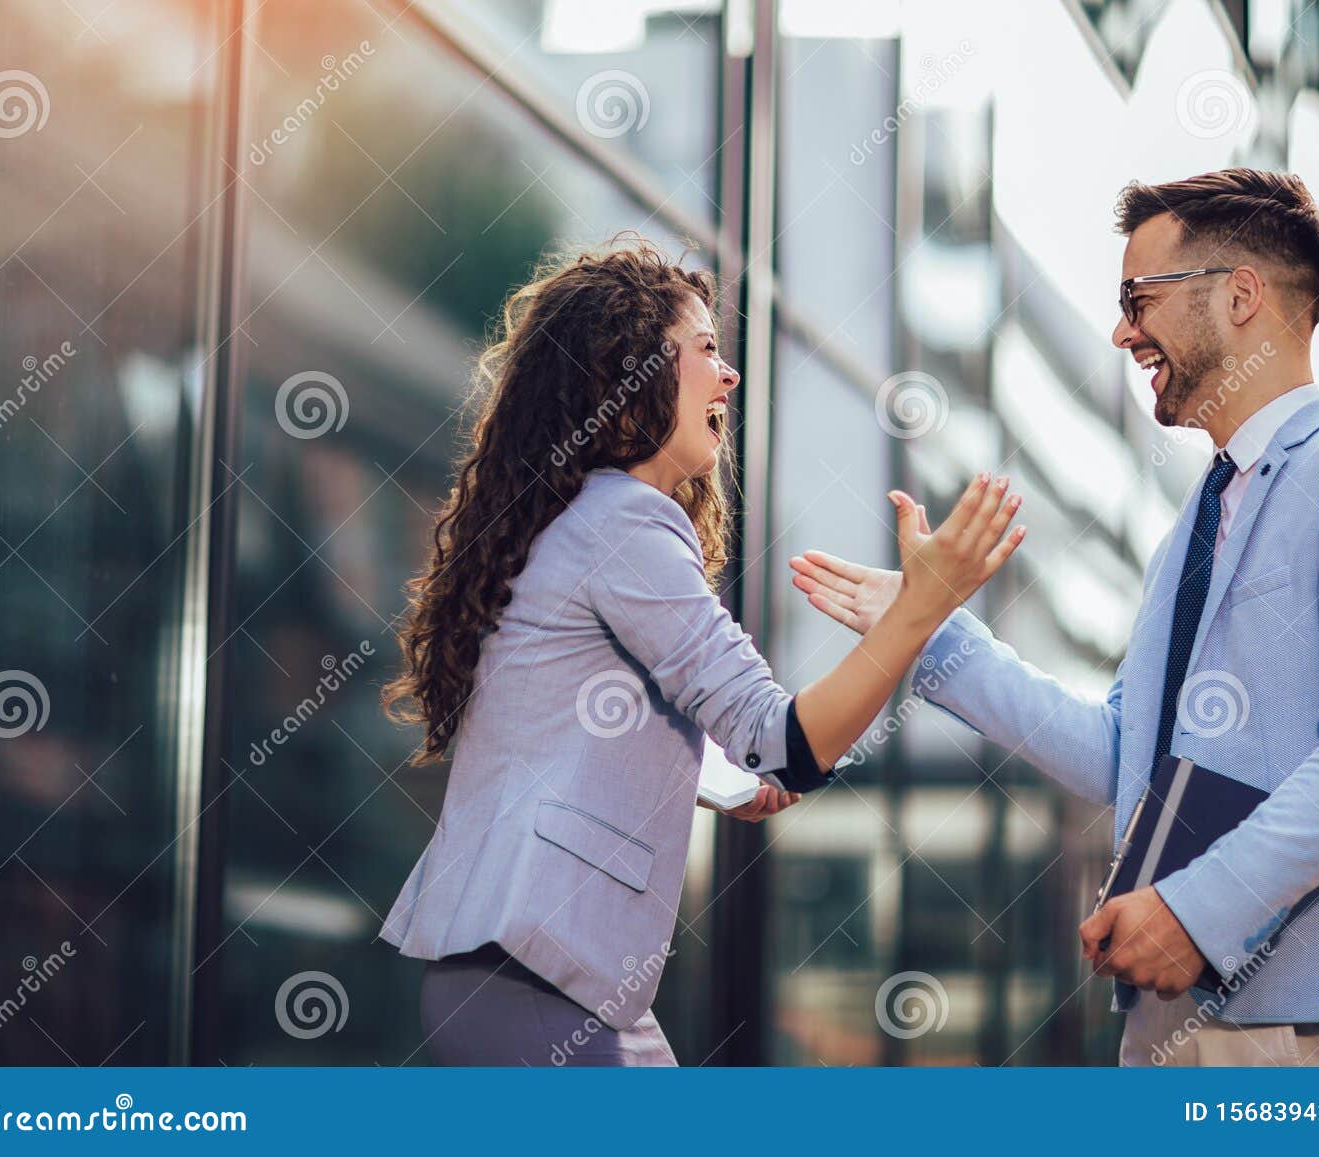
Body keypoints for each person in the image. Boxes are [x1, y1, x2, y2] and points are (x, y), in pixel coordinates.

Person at [790, 168, 1319, 1066]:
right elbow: (1122, 756)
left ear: (1240, 296)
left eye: (1138, 299)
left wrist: (1197, 911)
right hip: (1164, 1015)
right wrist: (927, 627)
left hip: (1300, 1022)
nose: (1123, 331)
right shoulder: (1196, 520)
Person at [378, 235, 1025, 1066]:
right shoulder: (626, 520)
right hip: (540, 974)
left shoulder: (573, 520)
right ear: (631, 370)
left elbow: (567, 716)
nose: (731, 375)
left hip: (523, 974)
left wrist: (725, 775)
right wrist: (922, 606)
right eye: (708, 349)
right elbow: (784, 741)